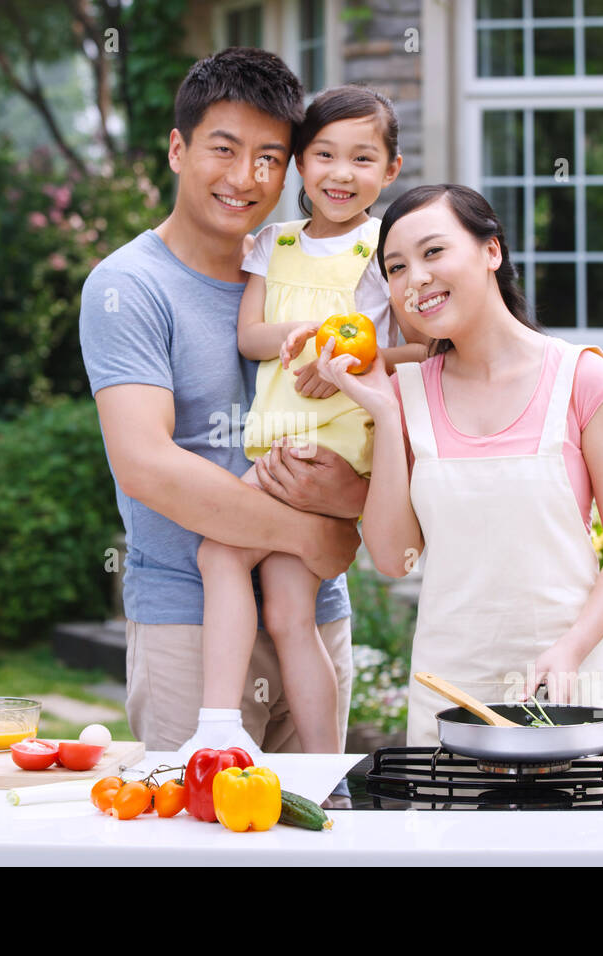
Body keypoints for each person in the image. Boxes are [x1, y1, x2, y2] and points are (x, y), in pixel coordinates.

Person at [78, 49, 365, 757]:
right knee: (202, 843)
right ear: (178, 150)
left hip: (316, 613)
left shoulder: (319, 271)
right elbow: (148, 466)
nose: (246, 179)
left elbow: (382, 416)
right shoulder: (129, 288)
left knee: (322, 830)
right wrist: (309, 533)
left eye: (270, 157)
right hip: (190, 624)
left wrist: (357, 494)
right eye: (224, 149)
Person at [314, 184, 603, 749]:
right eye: (395, 268)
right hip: (451, 696)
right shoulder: (403, 395)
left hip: (569, 694)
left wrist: (571, 649)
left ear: (491, 251)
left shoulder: (582, 380)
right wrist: (379, 407)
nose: (415, 279)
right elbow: (394, 559)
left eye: (432, 253)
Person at [182, 87, 428, 758]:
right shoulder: (275, 244)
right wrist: (303, 334)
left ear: (391, 170)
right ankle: (331, 777)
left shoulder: (386, 248)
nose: (341, 174)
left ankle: (214, 729)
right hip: (284, 445)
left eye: (362, 158)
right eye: (323, 155)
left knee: (218, 552)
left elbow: (425, 350)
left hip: (336, 446)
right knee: (291, 616)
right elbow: (250, 336)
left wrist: (350, 357)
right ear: (299, 164)